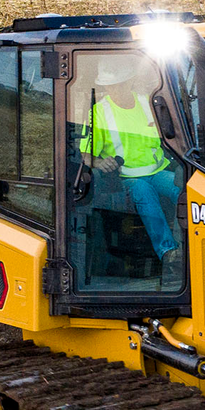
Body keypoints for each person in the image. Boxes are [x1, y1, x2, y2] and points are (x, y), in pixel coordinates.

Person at [78, 56, 182, 276]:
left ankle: (193, 244)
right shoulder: (98, 113)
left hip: (158, 170)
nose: (115, 89)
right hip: (125, 178)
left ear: (129, 82)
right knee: (145, 195)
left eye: (119, 84)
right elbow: (85, 155)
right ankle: (169, 252)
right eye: (110, 85)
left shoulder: (148, 104)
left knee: (181, 192)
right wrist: (99, 162)